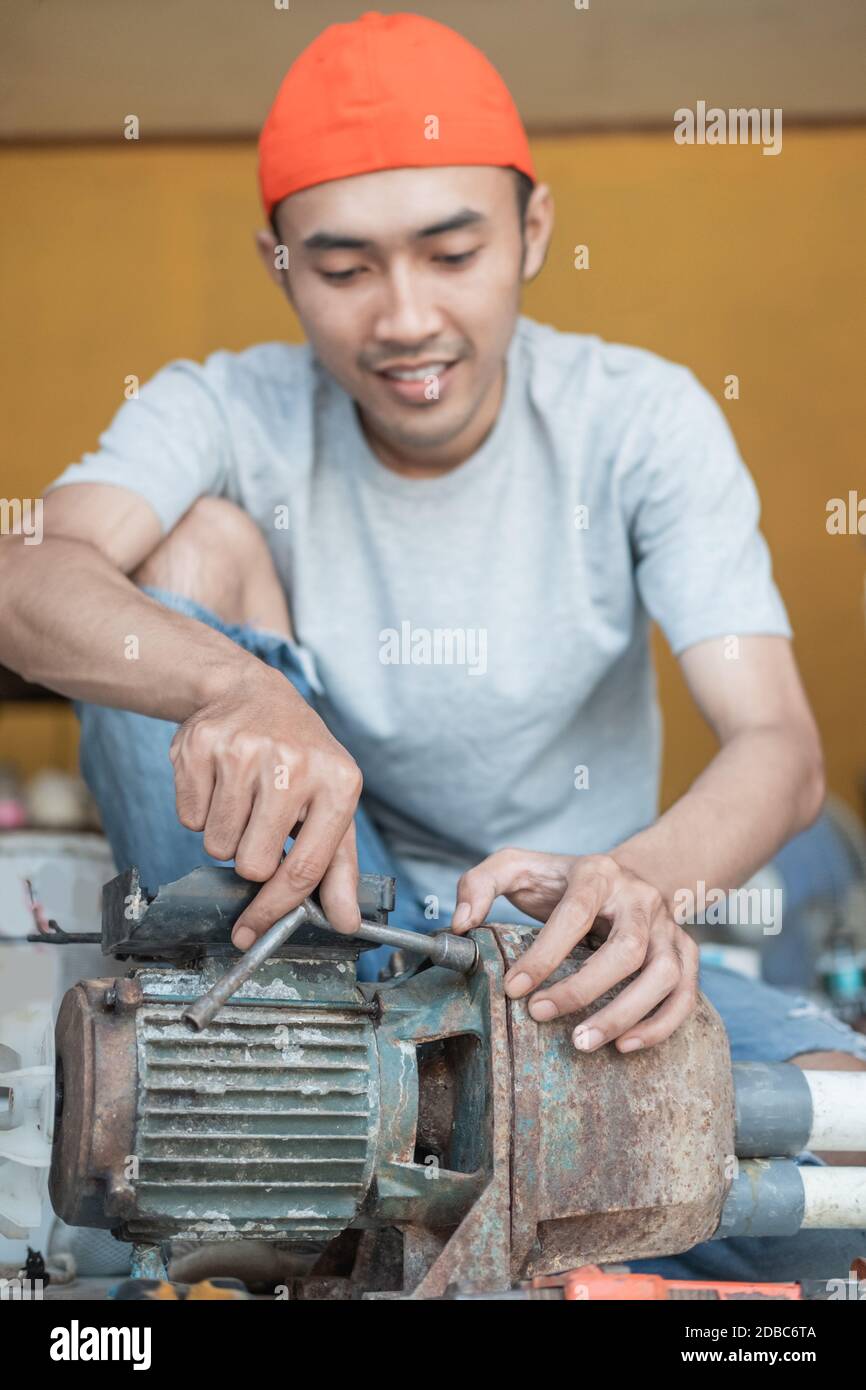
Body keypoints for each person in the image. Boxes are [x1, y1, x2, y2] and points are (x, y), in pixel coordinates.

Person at [2, 11, 864, 1280]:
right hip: (330, 921)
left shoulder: (641, 421)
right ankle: (294, 1115)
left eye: (451, 252)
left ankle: (395, 1232)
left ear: (531, 230)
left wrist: (633, 886)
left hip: (563, 941)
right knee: (184, 554)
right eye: (343, 268)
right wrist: (232, 680)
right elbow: (28, 582)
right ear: (279, 261)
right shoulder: (223, 403)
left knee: (836, 1140)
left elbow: (777, 746)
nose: (405, 317)